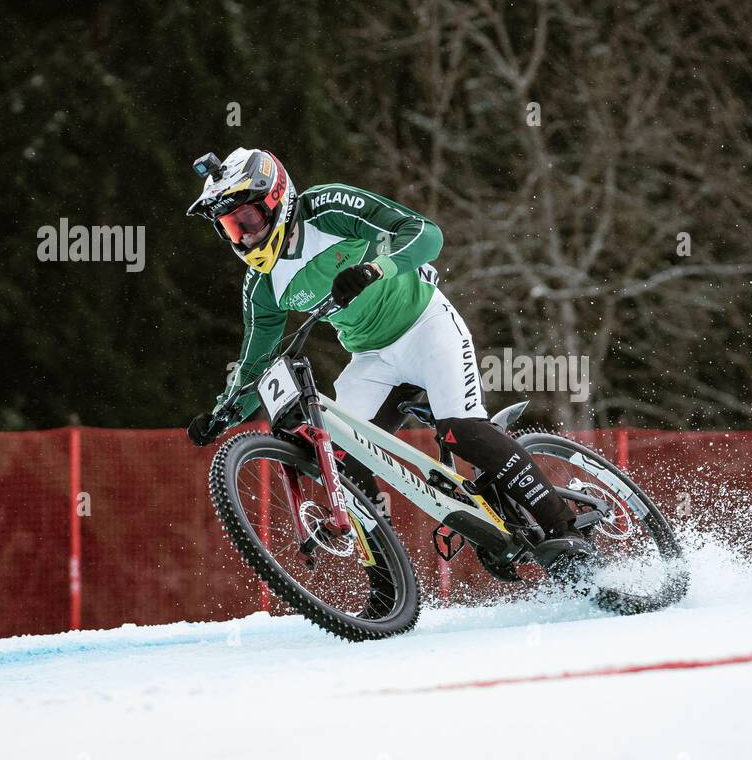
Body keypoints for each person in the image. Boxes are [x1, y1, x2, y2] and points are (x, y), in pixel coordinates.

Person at [183, 147, 592, 574]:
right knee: (339, 460)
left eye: (247, 221)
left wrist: (377, 268)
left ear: (276, 198)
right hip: (372, 358)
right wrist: (222, 416)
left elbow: (426, 234)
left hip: (427, 326)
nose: (244, 238)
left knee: (463, 432)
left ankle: (565, 529)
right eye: (231, 229)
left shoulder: (326, 207)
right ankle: (388, 584)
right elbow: (256, 363)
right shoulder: (262, 286)